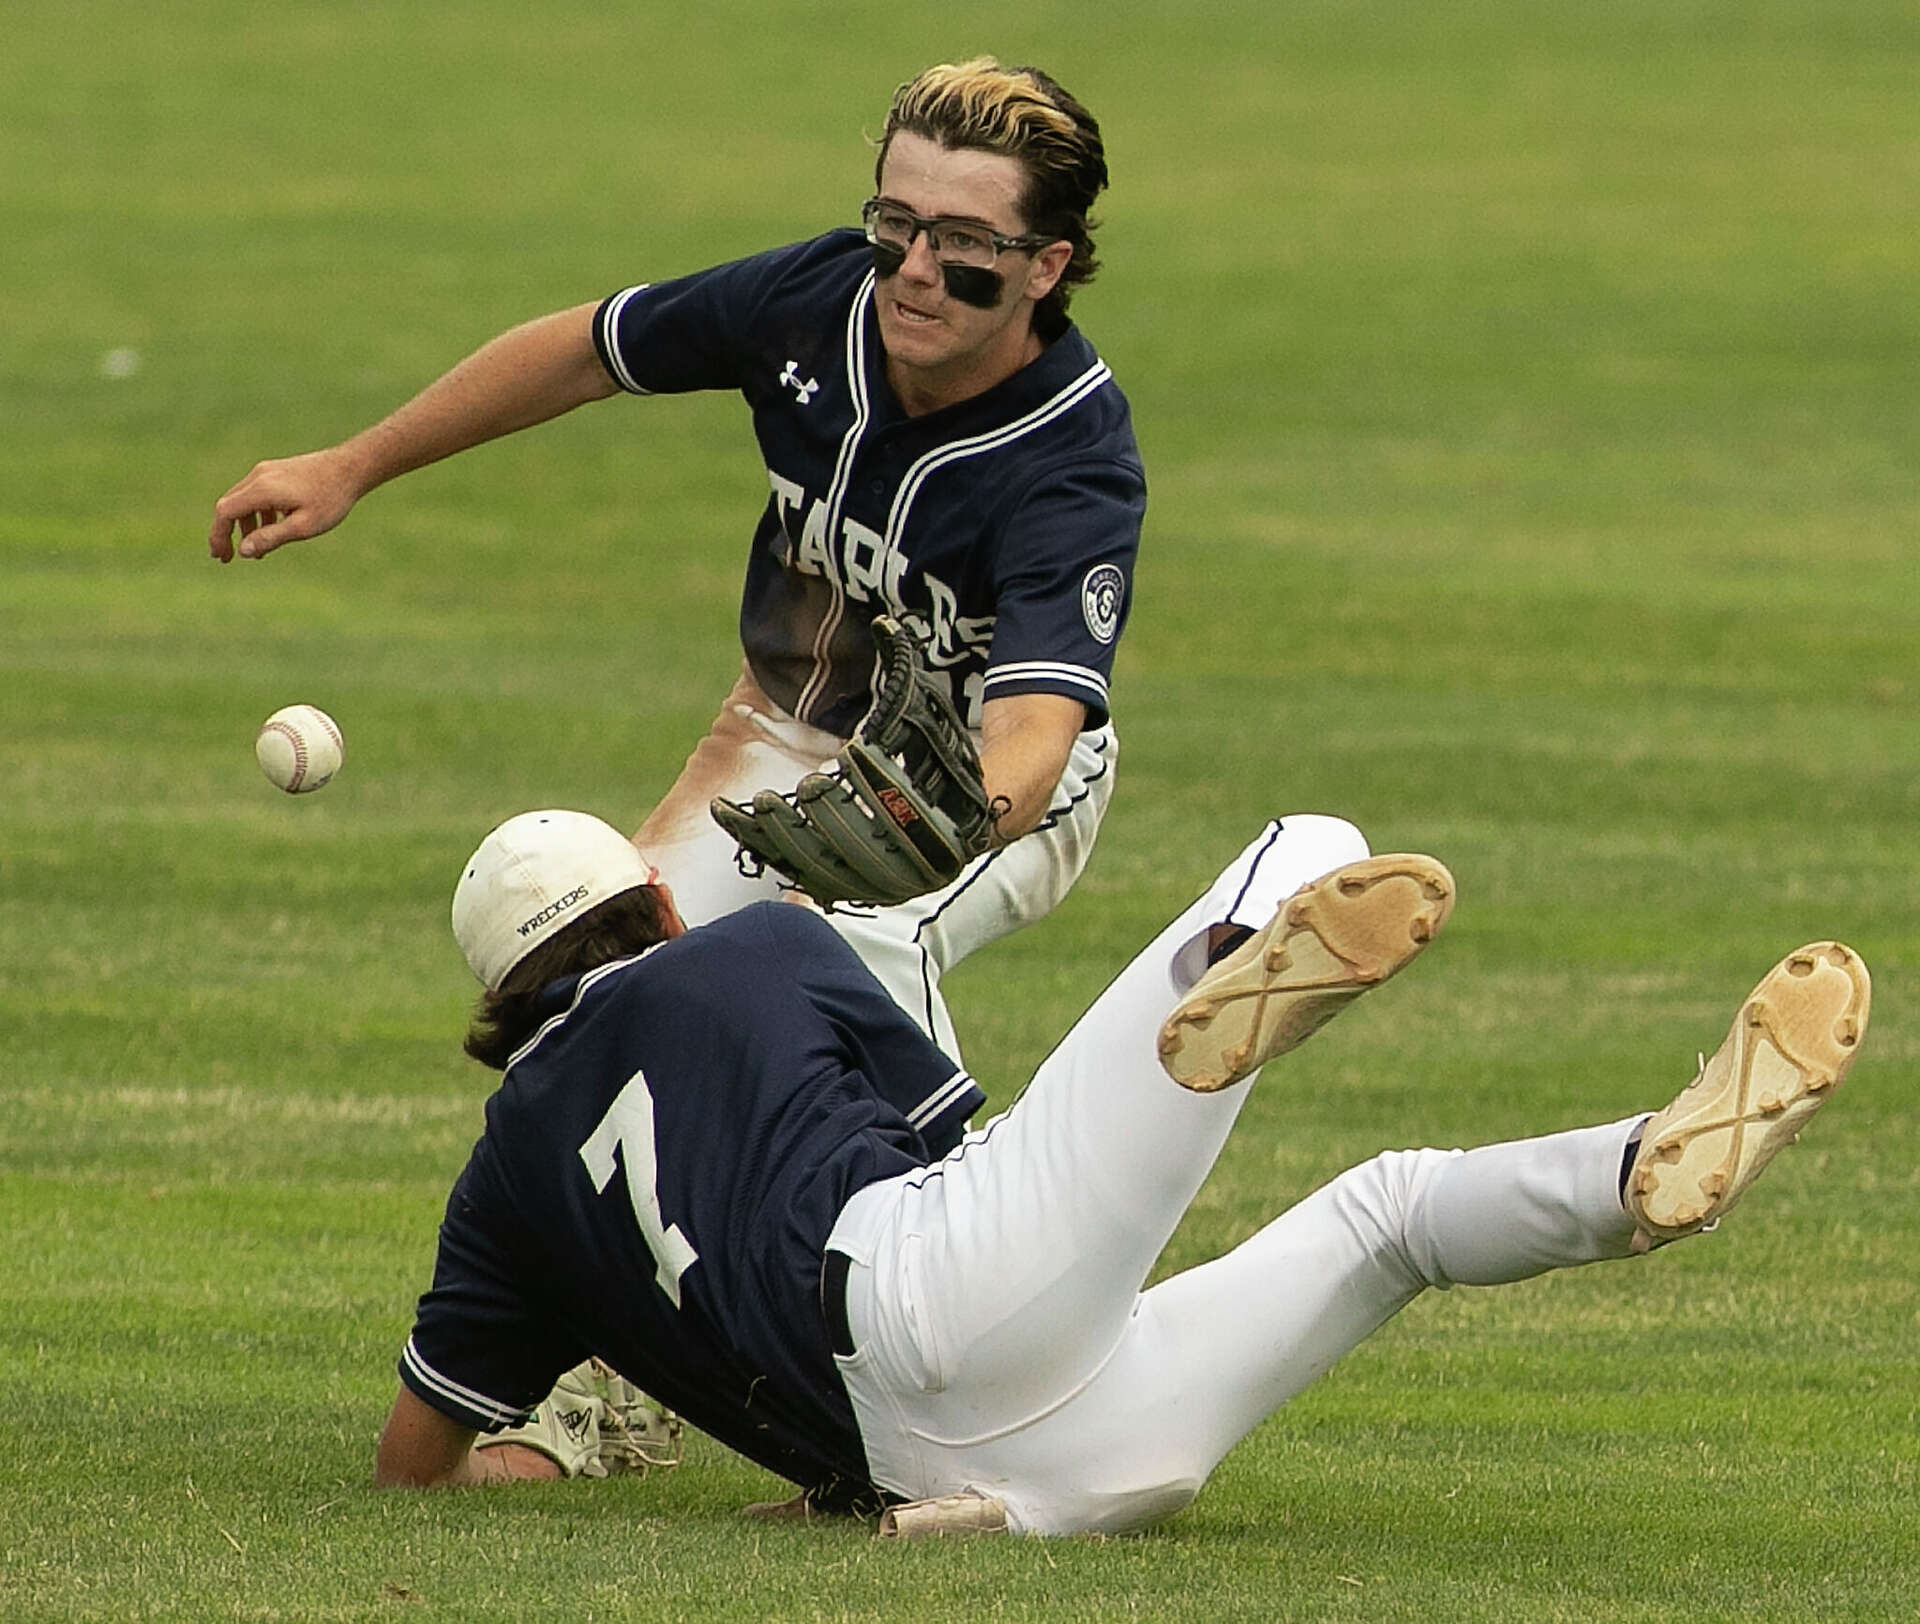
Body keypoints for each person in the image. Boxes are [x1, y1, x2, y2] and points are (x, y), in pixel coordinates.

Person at [375, 808, 1873, 1536]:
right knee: (1309, 838)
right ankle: (1248, 969)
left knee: (1384, 1214)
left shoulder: (505, 1173)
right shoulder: (763, 941)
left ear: (501, 1007)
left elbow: (417, 1459)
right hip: (931, 1281)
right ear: (654, 903)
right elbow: (963, 1136)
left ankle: (1637, 1161)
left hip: (993, 1477)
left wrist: (544, 1452)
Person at [206, 57, 1144, 1059]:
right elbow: (588, 351)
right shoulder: (815, 304)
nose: (914, 267)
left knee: (845, 945)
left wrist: (929, 823)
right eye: (896, 222)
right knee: (612, 991)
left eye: (961, 242)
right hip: (785, 726)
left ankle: (934, 1199)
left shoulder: (1072, 462)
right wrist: (352, 466)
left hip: (975, 784)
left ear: (1043, 266)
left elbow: (1036, 737)